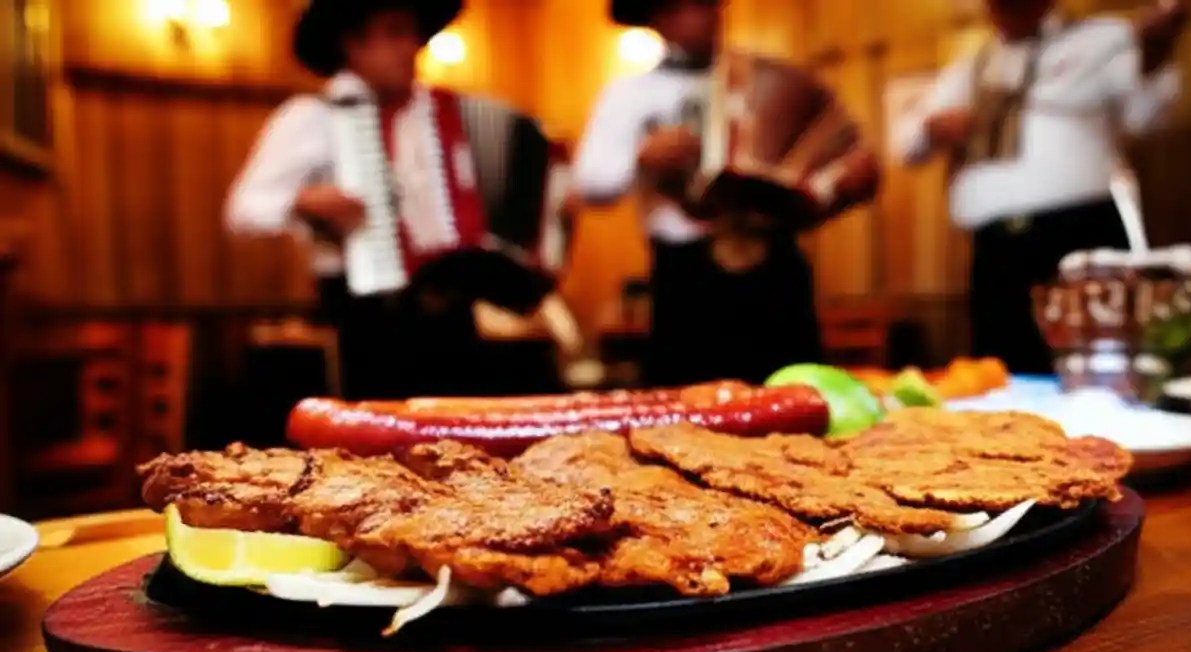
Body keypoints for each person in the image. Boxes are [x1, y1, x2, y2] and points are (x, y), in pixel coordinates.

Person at [226, 0, 575, 399]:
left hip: (455, 318)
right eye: (393, 33)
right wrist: (304, 201)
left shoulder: (444, 115)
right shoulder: (314, 118)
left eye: (413, 34)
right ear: (351, 46)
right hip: (366, 320)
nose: (410, 47)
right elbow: (243, 209)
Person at [575, 0, 880, 387]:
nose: (704, 15)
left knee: (793, 393)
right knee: (687, 399)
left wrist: (835, 186)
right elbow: (589, 181)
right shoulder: (630, 94)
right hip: (688, 278)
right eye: (686, 7)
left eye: (708, 5)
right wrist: (642, 157)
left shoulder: (768, 78)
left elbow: (841, 160)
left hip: (777, 270)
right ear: (657, 19)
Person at [893, 0, 1191, 374]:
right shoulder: (971, 68)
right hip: (997, 248)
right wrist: (931, 128)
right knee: (1002, 368)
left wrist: (1156, 52)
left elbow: (1146, 116)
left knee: (1096, 362)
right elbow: (905, 145)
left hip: (1081, 234)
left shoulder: (1103, 41)